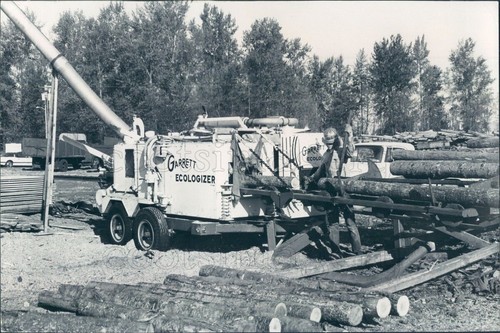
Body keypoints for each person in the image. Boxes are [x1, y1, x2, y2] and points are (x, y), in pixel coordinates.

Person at [305, 124, 362, 255]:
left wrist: (350, 135)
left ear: (335, 140)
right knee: (333, 223)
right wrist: (311, 179)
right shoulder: (325, 154)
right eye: (327, 143)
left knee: (350, 222)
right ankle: (336, 251)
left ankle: (357, 251)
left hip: (344, 189)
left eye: (331, 143)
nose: (329, 145)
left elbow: (351, 152)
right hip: (331, 190)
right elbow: (320, 170)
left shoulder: (341, 151)